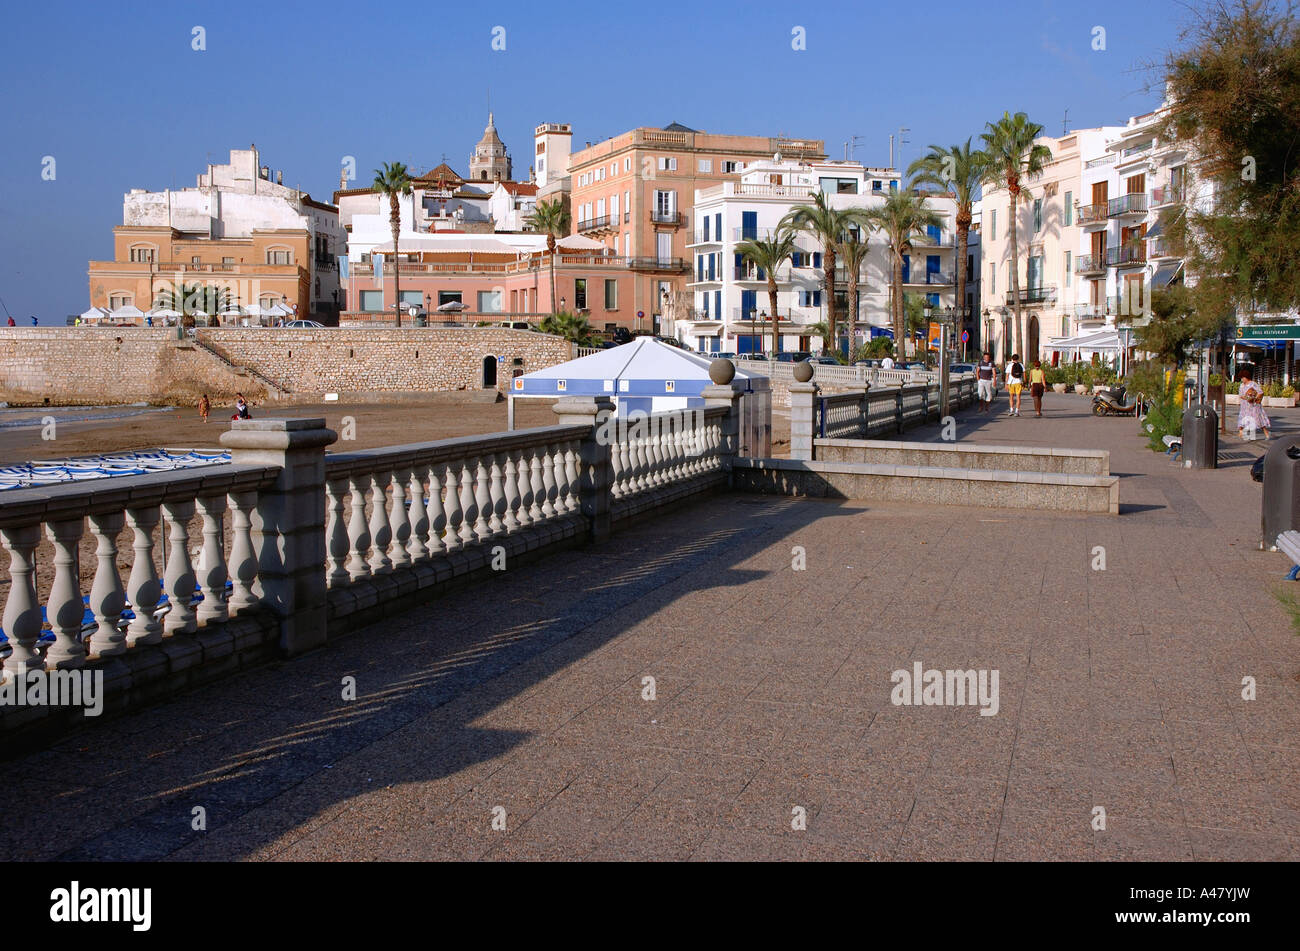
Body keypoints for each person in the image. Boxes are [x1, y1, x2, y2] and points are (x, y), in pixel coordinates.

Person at [1237, 370, 1270, 440]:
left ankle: (1266, 433)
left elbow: (1260, 392)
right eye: (1241, 378)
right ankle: (1242, 433)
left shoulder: (1253, 384)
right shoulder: (1241, 385)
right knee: (1244, 419)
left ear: (1247, 377)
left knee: (1258, 420)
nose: (1242, 379)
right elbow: (1240, 395)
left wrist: (1254, 398)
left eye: (1243, 378)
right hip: (1244, 406)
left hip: (1253, 406)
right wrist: (1246, 397)